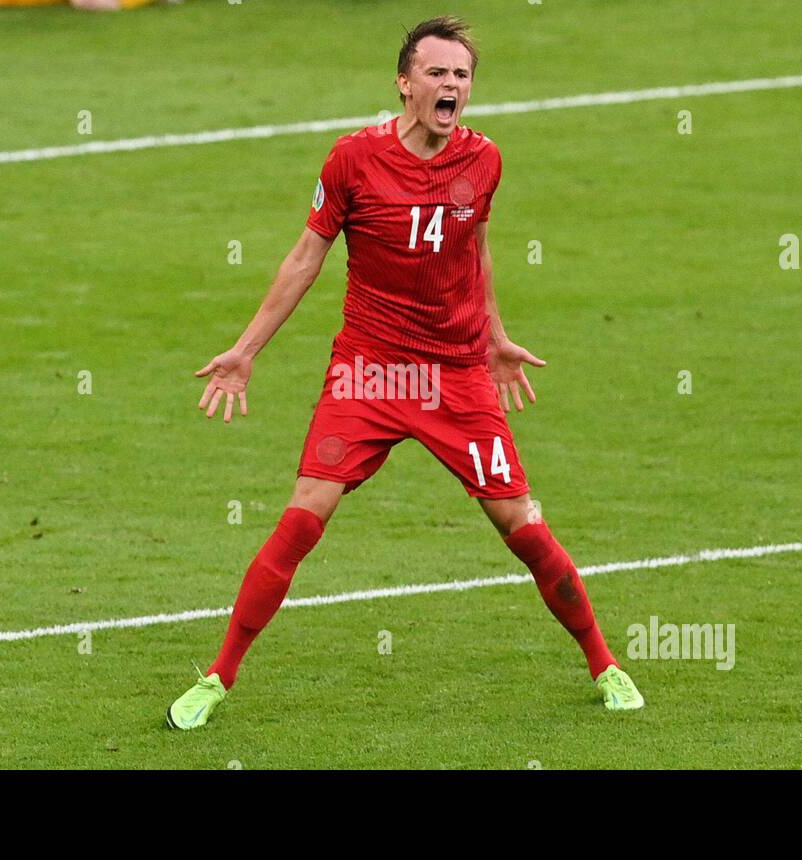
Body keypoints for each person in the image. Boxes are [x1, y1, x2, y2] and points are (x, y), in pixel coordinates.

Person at [168, 16, 644, 730]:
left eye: (461, 75)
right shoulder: (353, 160)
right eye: (437, 73)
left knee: (521, 523)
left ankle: (605, 664)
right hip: (370, 373)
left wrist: (496, 337)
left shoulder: (484, 161)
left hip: (455, 374)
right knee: (303, 515)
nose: (451, 86)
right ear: (404, 82)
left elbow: (474, 248)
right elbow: (307, 256)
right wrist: (245, 351)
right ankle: (217, 677)